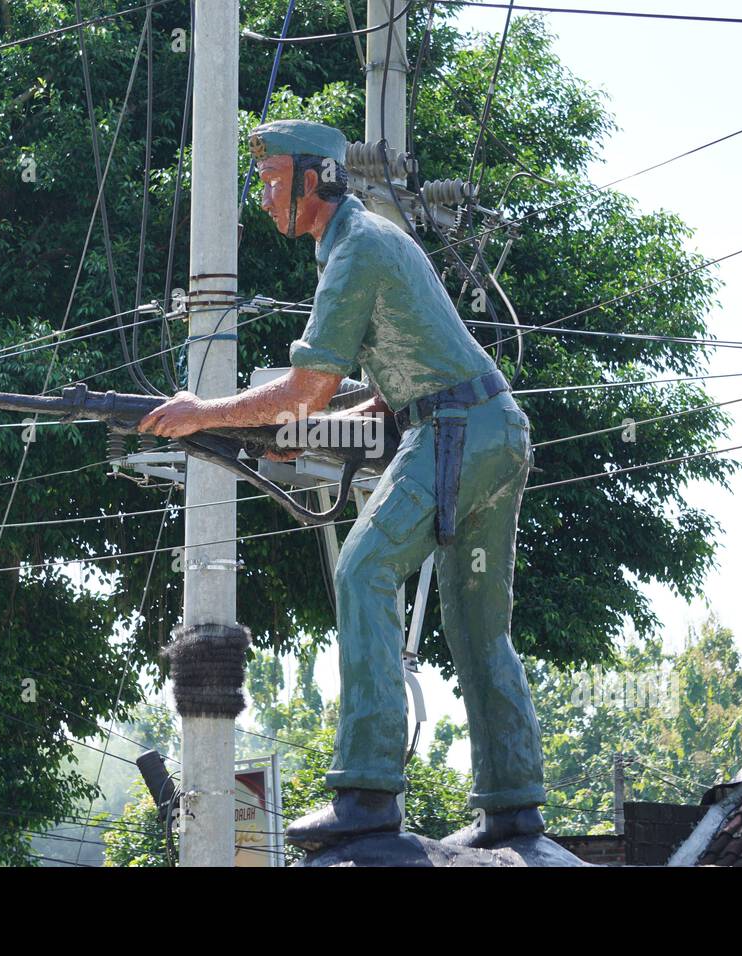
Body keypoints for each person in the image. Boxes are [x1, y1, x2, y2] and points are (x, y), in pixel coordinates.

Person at [138, 119, 545, 850]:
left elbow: (303, 391)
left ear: (317, 180)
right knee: (477, 627)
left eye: (270, 181)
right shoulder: (374, 241)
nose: (262, 199)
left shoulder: (356, 252)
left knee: (362, 569)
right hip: (492, 426)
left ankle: (367, 792)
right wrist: (316, 415)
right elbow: (394, 370)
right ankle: (514, 804)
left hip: (453, 431)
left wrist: (204, 412)